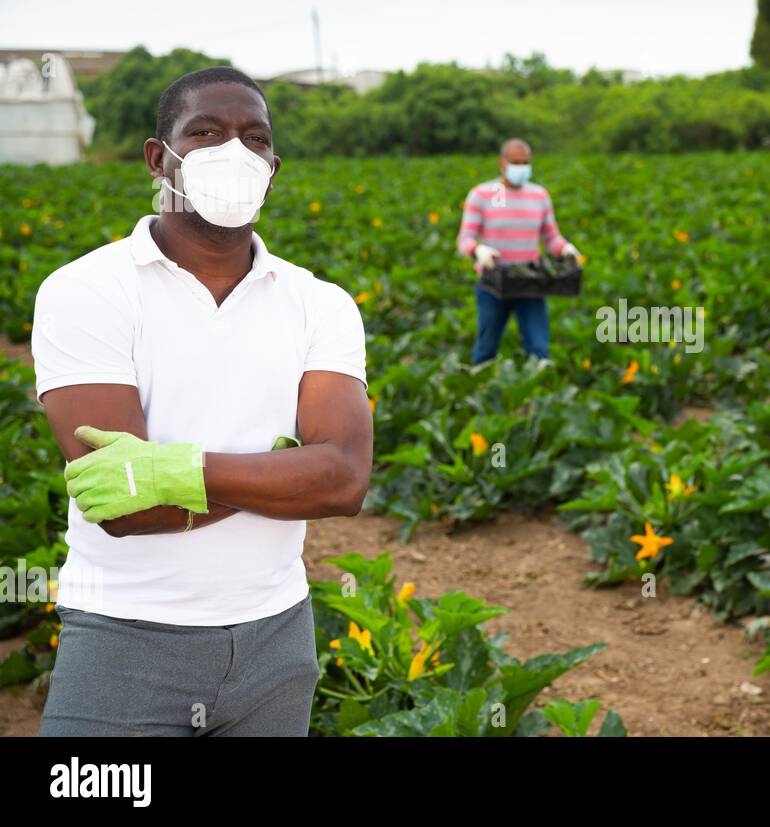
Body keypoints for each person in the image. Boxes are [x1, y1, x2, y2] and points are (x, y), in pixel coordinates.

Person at [31, 66, 373, 737]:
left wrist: (178, 470)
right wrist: (282, 471)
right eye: (207, 132)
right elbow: (123, 504)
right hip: (122, 635)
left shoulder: (321, 305)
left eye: (254, 138)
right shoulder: (84, 291)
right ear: (160, 158)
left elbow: (344, 480)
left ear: (273, 169)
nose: (234, 153)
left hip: (278, 637)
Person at [456, 138, 581, 364]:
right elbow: (464, 239)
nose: (521, 168)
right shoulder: (482, 194)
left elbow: (551, 237)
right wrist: (478, 251)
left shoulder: (539, 195)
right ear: (501, 162)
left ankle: (540, 394)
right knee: (486, 349)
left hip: (530, 283)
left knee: (539, 348)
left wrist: (565, 248)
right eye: (516, 162)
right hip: (494, 283)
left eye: (525, 163)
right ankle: (479, 391)